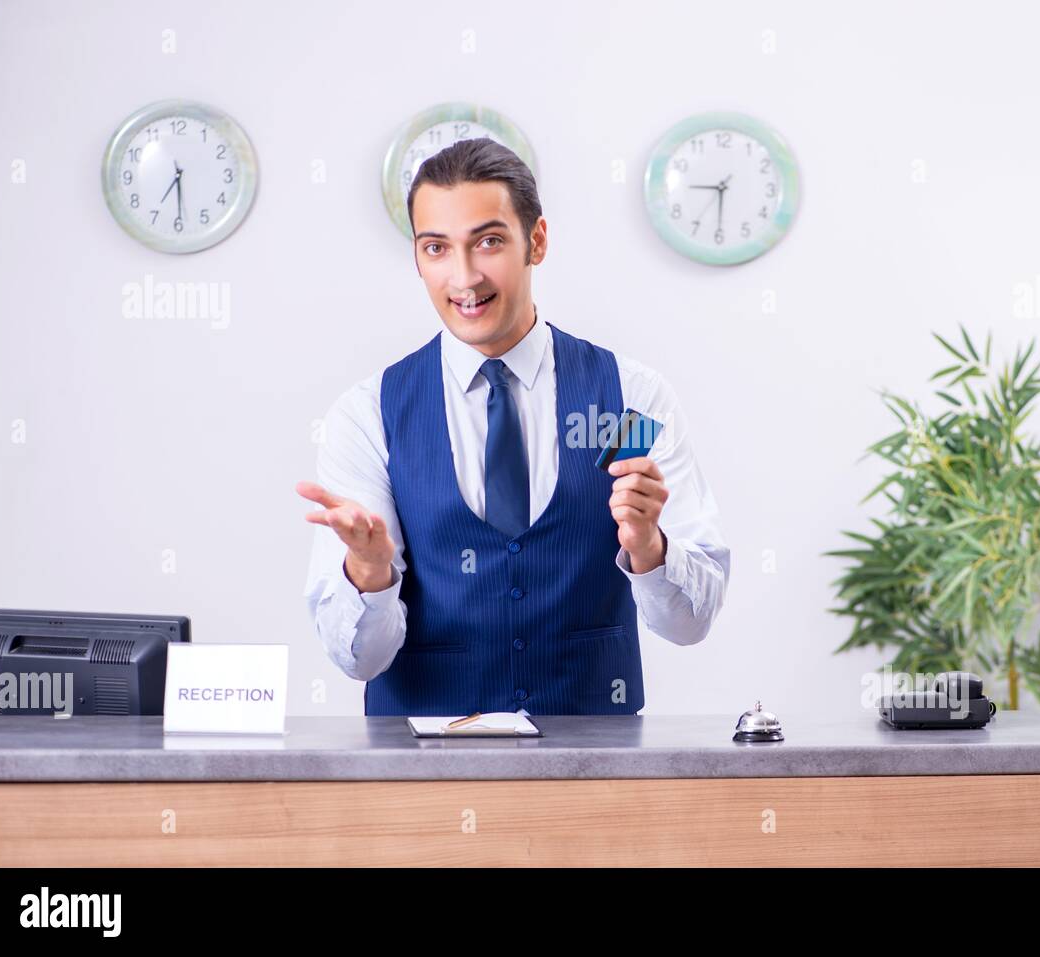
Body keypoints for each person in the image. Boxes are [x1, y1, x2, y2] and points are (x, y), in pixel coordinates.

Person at [298, 137, 729, 716]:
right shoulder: (368, 414)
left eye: (490, 241)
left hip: (593, 769)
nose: (465, 277)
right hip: (418, 776)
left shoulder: (629, 397)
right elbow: (360, 661)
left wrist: (650, 547)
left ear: (538, 241)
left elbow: (690, 626)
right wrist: (370, 574)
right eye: (437, 248)